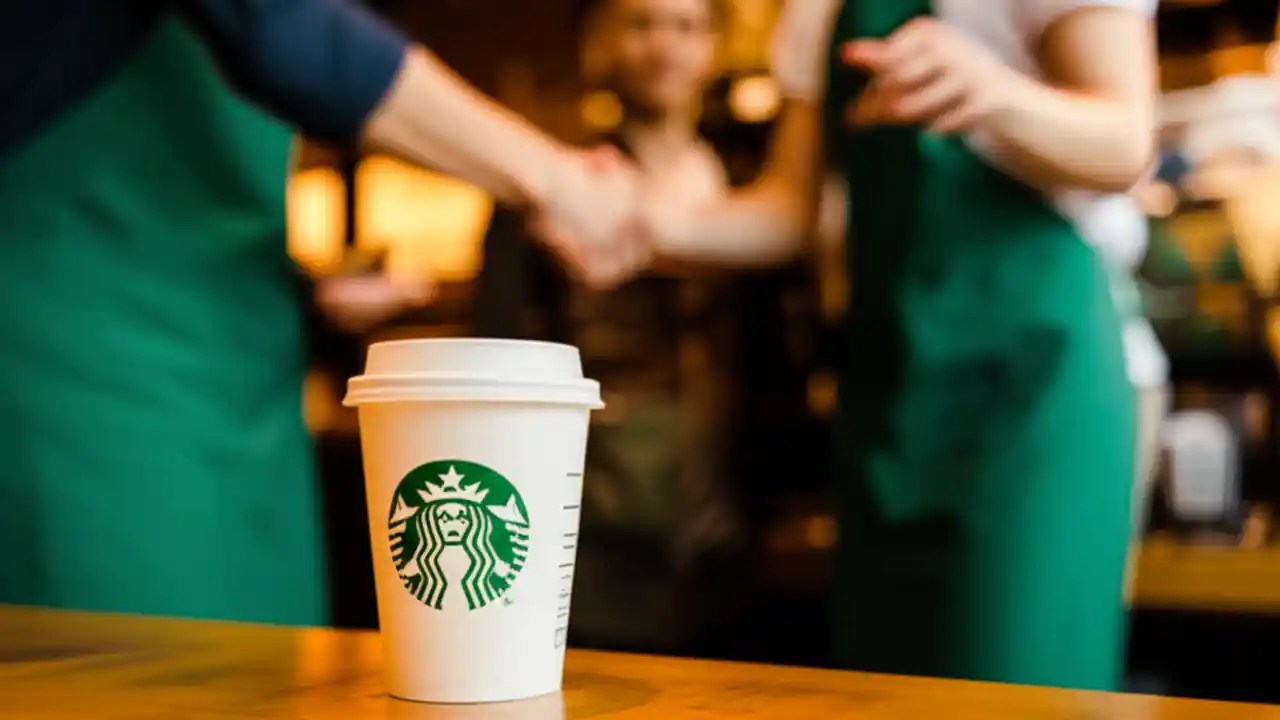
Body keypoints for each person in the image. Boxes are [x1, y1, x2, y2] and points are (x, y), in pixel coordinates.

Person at [549, 0, 1158, 691]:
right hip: (890, 388)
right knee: (879, 692)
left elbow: (1127, 140)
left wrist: (997, 93)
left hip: (1035, 390)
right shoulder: (816, 10)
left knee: (1015, 691)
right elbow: (786, 210)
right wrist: (642, 222)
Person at [0, 1, 636, 625]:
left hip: (251, 403)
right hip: (86, 380)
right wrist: (554, 179)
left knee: (261, 679)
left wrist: (304, 298)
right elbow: (279, 23)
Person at [474, 0, 745, 653]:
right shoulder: (545, 189)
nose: (665, 46)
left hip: (735, 541)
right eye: (642, 23)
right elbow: (496, 358)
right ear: (601, 44)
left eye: (686, 26)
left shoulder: (759, 186)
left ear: (715, 45)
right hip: (591, 537)